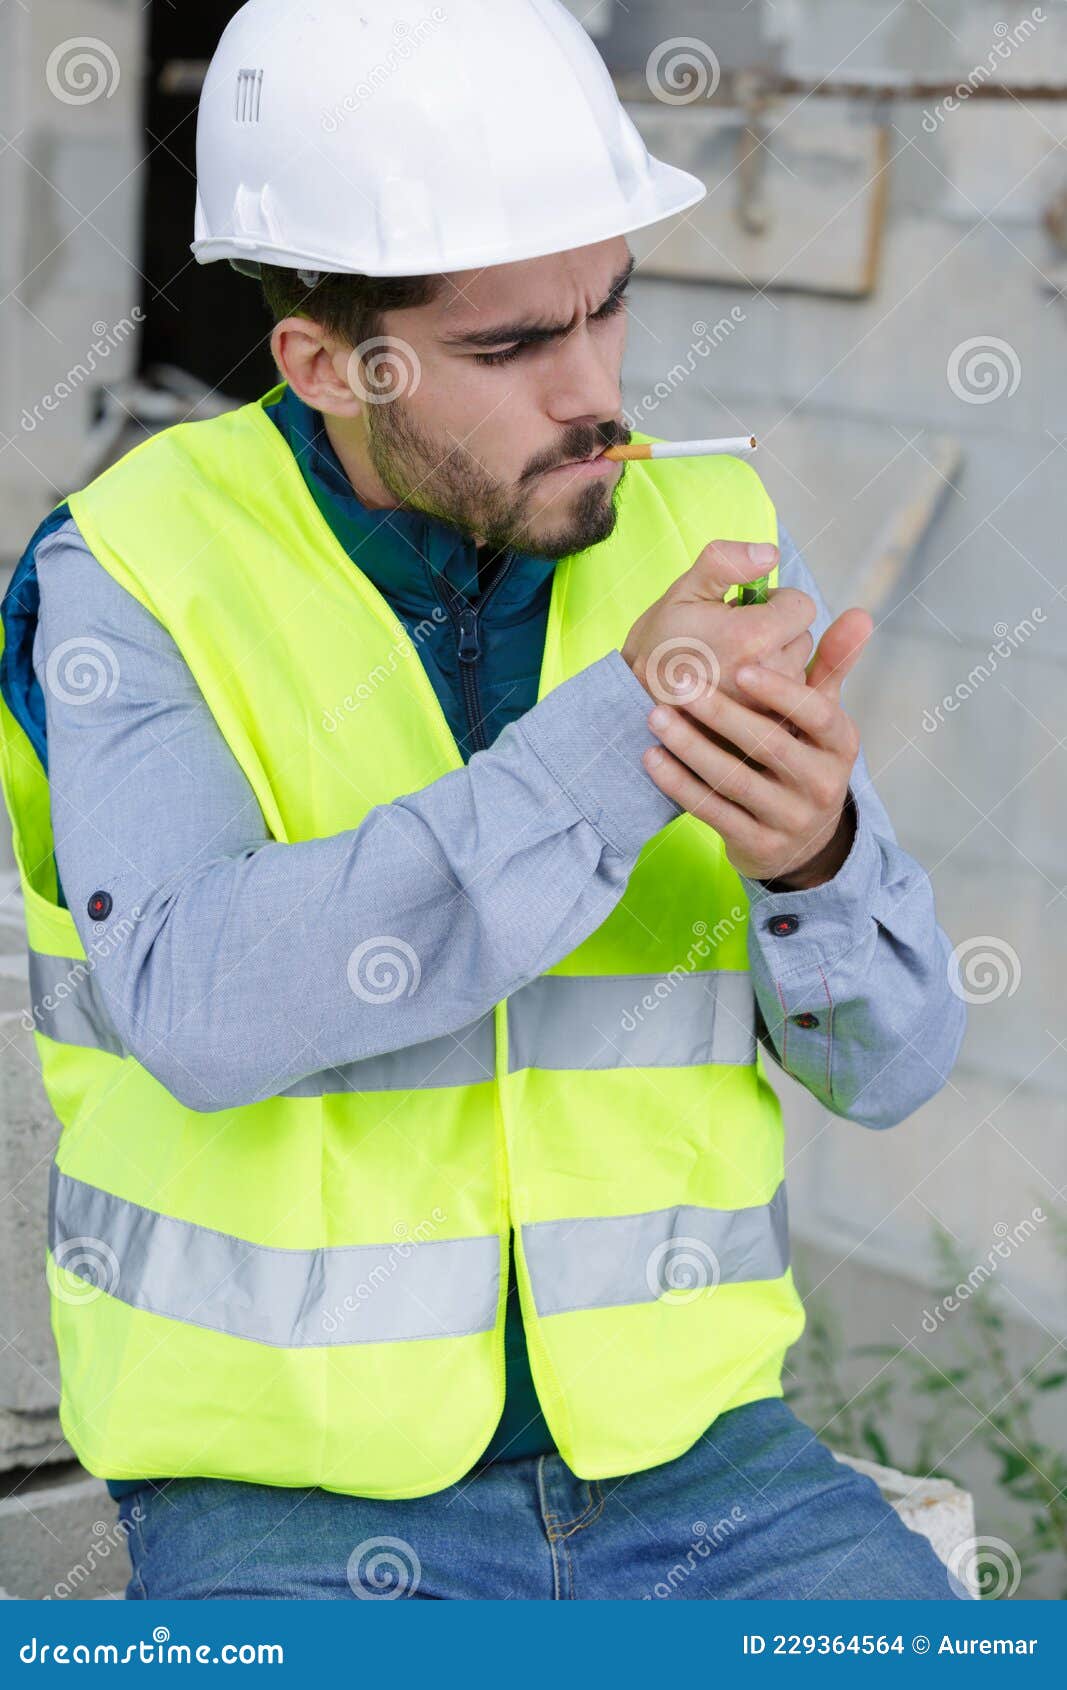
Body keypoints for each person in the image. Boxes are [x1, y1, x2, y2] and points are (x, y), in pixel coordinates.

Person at [0, 0, 968, 1600]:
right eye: (513, 346)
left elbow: (899, 1067)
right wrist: (606, 745)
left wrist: (820, 858)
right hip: (288, 1484)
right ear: (322, 360)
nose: (595, 393)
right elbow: (197, 1007)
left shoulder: (701, 526)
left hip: (699, 1460)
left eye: (609, 309)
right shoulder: (134, 572)